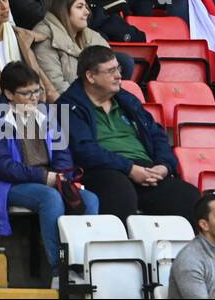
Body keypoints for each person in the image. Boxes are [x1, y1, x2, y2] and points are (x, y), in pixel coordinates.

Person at [0, 61, 101, 281]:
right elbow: (3, 168)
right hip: (6, 185)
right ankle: (59, 271)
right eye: (26, 93)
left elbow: (62, 153)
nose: (35, 97)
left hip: (47, 179)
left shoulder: (47, 114)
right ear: (9, 94)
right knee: (50, 198)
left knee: (90, 199)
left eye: (37, 91)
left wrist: (61, 176)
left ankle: (86, 265)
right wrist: (44, 177)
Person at [59, 46, 199, 222]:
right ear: (90, 76)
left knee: (189, 196)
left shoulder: (128, 100)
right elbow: (84, 151)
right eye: (111, 71)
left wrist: (164, 166)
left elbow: (157, 135)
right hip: (102, 171)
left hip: (145, 170)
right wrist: (129, 168)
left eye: (119, 69)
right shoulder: (66, 106)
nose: (119, 75)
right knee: (119, 191)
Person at [31, 0, 110, 95]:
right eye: (80, 7)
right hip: (68, 107)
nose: (87, 12)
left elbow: (110, 71)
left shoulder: (88, 34)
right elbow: (56, 86)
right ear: (63, 10)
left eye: (86, 7)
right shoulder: (45, 36)